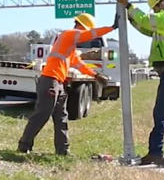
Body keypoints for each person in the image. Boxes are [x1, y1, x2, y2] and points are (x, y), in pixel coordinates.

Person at [18, 12, 117, 155]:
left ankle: (63, 150)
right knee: (42, 114)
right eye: (86, 30)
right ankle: (24, 145)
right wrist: (111, 28)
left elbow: (80, 65)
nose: (87, 36)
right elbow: (89, 35)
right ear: (81, 26)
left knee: (61, 117)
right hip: (50, 81)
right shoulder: (68, 34)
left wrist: (96, 75)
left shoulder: (70, 48)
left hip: (58, 83)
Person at [116, 0, 164, 168]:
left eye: (155, 8)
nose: (155, 11)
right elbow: (146, 28)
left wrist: (128, 5)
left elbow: (147, 21)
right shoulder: (163, 21)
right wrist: (130, 18)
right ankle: (155, 153)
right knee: (159, 114)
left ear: (161, 3)